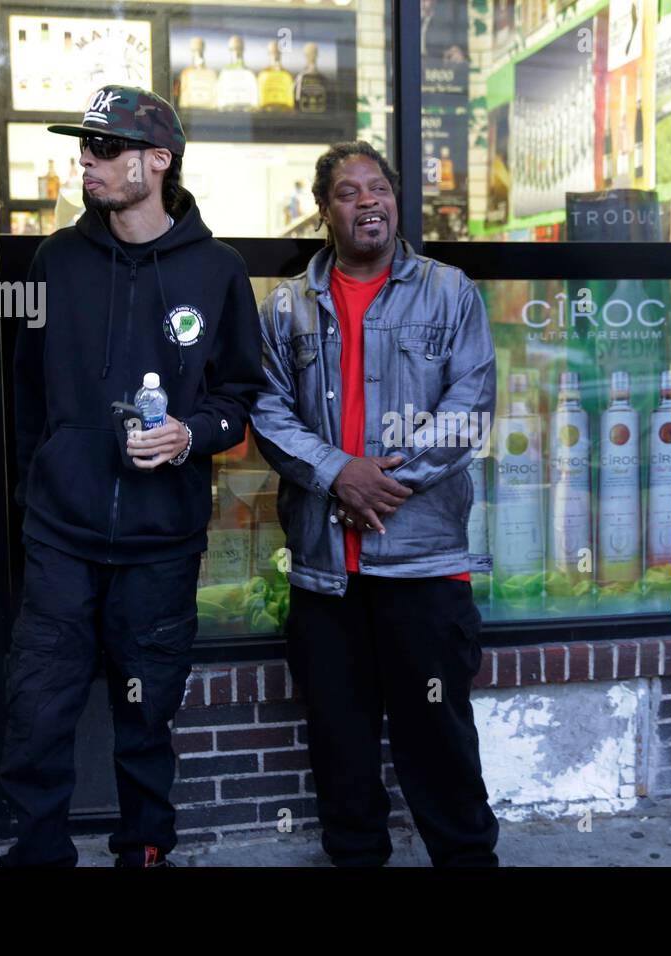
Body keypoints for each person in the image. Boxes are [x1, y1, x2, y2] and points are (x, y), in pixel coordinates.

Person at [0, 85, 264, 867]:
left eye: (106, 147)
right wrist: (34, 492)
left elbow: (239, 396)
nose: (87, 159)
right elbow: (26, 394)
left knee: (145, 713)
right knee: (38, 708)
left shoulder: (217, 271)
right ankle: (39, 853)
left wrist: (193, 433)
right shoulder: (56, 261)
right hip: (61, 538)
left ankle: (145, 848)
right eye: (84, 146)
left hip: (161, 540)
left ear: (158, 160)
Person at [250, 141, 499, 867]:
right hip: (327, 572)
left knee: (440, 740)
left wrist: (382, 485)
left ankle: (466, 861)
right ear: (324, 211)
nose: (369, 201)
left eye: (379, 187)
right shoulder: (288, 307)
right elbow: (267, 412)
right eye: (349, 192)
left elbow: (471, 407)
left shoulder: (450, 291)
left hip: (423, 563)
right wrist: (338, 475)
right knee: (340, 742)